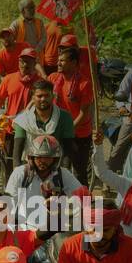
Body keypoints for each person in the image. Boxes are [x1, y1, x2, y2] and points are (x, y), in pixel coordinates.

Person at [4, 133, 84, 232]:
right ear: (31, 158)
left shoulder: (63, 174)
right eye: (38, 157)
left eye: (48, 157)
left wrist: (63, 205)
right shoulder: (20, 173)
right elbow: (8, 204)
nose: (42, 161)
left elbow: (83, 196)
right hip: (24, 229)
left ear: (55, 159)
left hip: (53, 231)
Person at [49, 46, 95, 183]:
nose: (58, 63)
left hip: (80, 133)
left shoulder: (84, 84)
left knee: (80, 174)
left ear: (74, 63)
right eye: (58, 60)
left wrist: (68, 129)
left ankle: (85, 204)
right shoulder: (54, 79)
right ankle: (59, 202)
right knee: (59, 170)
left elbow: (83, 113)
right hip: (61, 132)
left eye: (62, 61)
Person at [10, 78, 76, 165]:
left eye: (46, 95)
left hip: (55, 166)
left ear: (52, 96)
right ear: (33, 98)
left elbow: (68, 148)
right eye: (39, 96)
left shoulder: (64, 117)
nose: (43, 99)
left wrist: (63, 173)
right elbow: (17, 150)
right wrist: (17, 172)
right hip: (29, 165)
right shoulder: (23, 120)